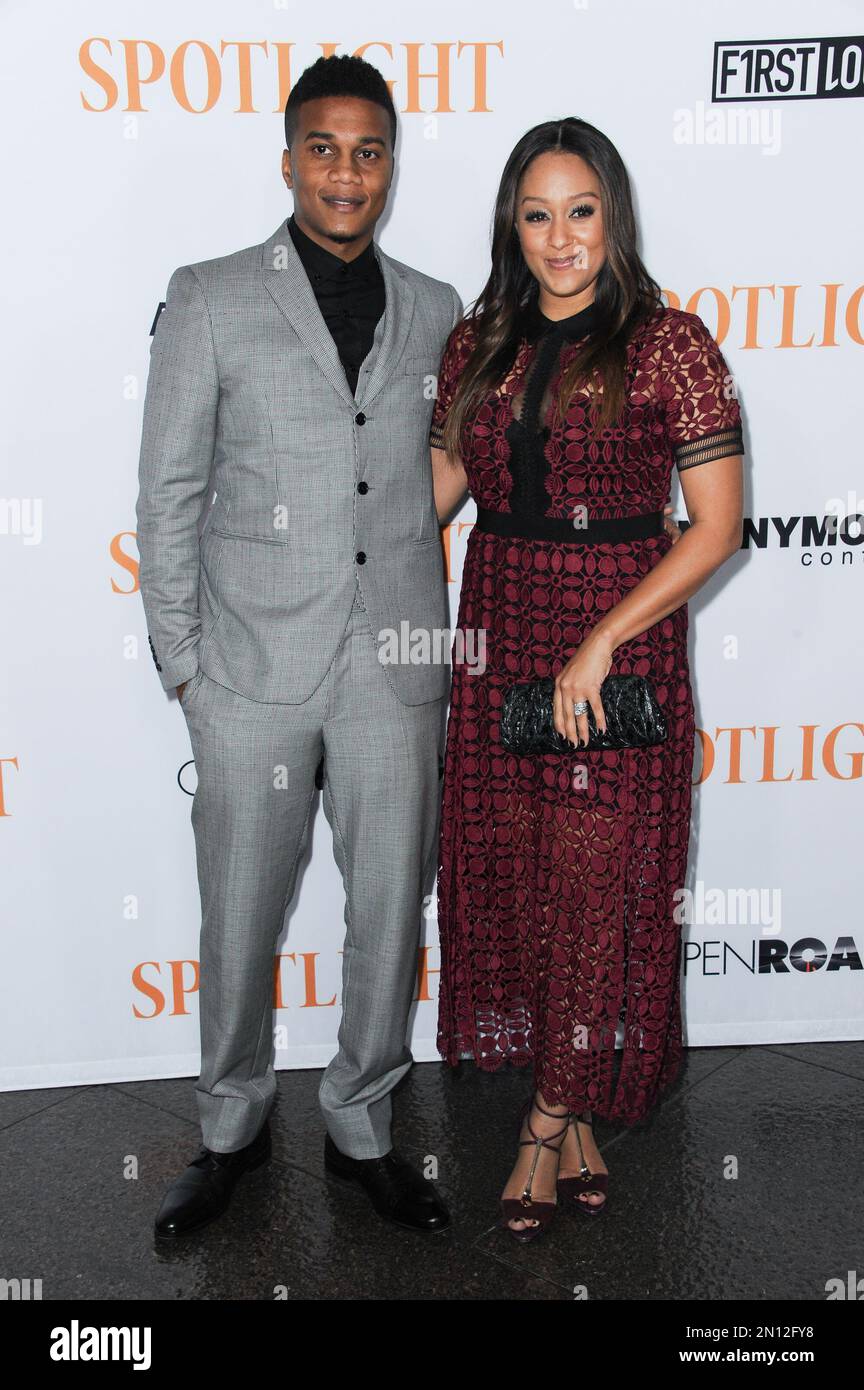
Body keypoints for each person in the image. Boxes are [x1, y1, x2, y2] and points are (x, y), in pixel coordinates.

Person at [136, 54, 461, 1237]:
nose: (346, 171)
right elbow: (167, 492)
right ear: (287, 160)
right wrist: (187, 666)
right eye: (323, 148)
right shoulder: (212, 294)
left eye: (368, 150)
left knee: (388, 909)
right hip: (250, 672)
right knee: (239, 909)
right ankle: (229, 1125)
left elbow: (443, 467)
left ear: (389, 166)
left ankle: (362, 1124)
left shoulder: (437, 307)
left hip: (394, 668)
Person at [428, 117, 744, 1240]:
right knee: (525, 883)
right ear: (511, 226)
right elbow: (429, 498)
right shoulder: (478, 345)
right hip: (502, 631)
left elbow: (716, 529)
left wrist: (605, 638)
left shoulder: (672, 346)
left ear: (612, 216)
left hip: (619, 643)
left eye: (579, 211)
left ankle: (543, 1124)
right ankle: (579, 1121)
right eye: (535, 214)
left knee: (597, 887)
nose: (558, 238)